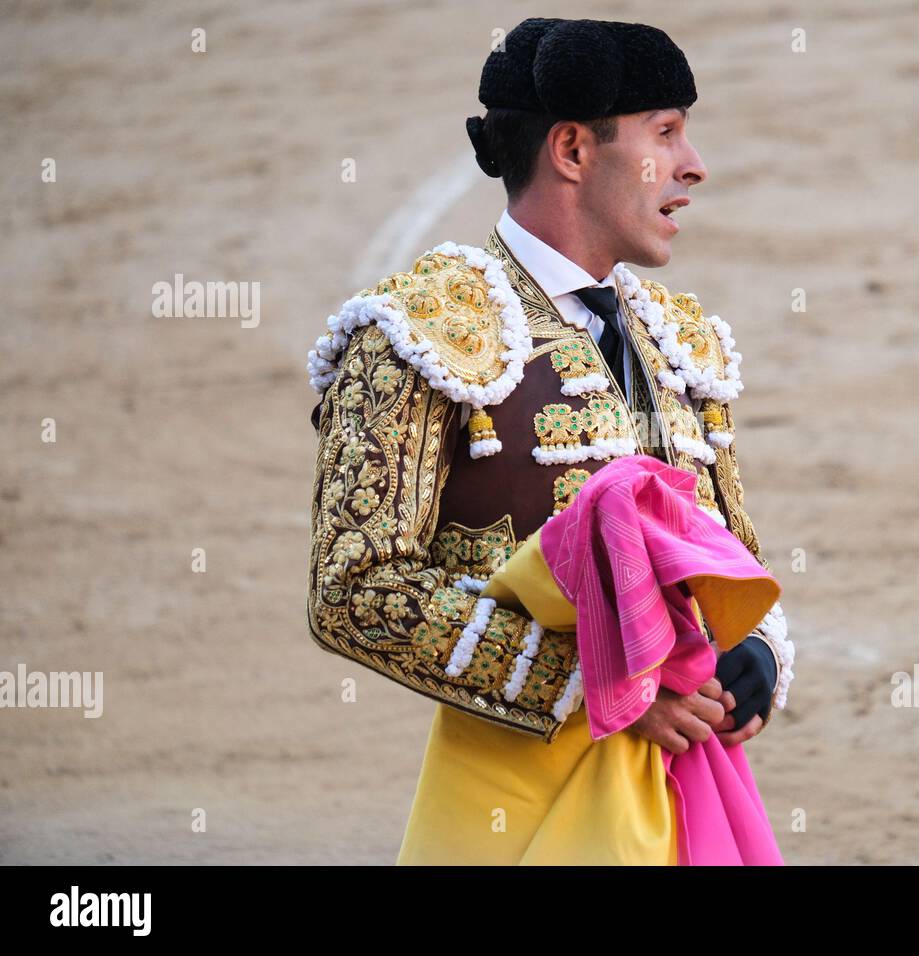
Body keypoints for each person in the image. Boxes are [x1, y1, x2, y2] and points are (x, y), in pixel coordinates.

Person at [305, 16, 794, 864]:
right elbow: (355, 587)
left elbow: (731, 558)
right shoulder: (418, 333)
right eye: (666, 133)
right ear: (573, 152)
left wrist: (753, 652)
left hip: (675, 790)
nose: (694, 164)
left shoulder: (683, 343)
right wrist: (604, 686)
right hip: (512, 797)